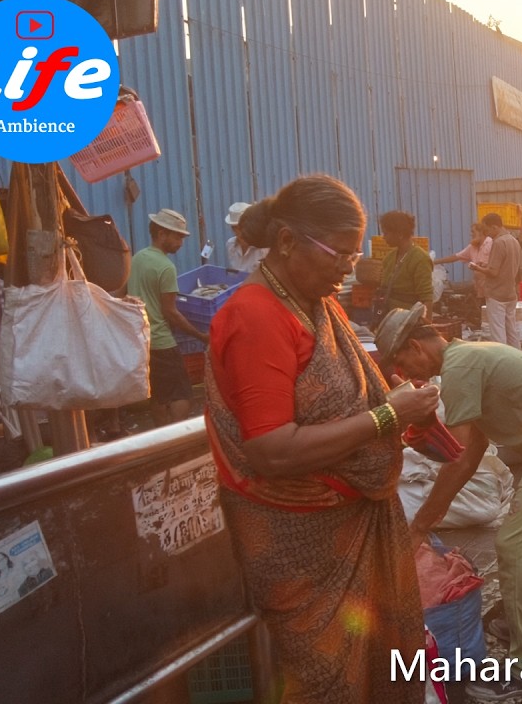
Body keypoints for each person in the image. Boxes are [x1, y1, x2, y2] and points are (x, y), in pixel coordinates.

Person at [204, 175, 440, 702]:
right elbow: (270, 449)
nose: (347, 268)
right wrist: (386, 418)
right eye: (338, 253)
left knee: (371, 667)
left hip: (349, 519)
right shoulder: (255, 315)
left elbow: (342, 383)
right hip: (297, 541)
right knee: (325, 681)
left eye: (354, 256)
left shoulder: (314, 300)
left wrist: (393, 395)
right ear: (286, 241)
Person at [380, 304, 522, 701]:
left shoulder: (460, 366)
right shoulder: (467, 358)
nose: (407, 373)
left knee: (514, 547)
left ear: (415, 346)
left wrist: (421, 525)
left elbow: (461, 457)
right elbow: (474, 445)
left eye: (402, 361)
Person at [125, 209, 209, 425]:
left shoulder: (137, 258)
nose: (180, 242)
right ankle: (174, 436)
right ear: (161, 234)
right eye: (177, 236)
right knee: (183, 395)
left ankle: (159, 435)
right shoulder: (166, 267)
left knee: (159, 393)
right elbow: (170, 311)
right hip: (162, 341)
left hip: (142, 340)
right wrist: (200, 335)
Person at [472, 213, 522, 348]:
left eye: (487, 230)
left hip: (497, 295)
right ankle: (518, 361)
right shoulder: (514, 241)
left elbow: (493, 272)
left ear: (494, 227)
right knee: (512, 333)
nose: (486, 234)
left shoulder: (499, 242)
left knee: (498, 335)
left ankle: (503, 365)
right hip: (510, 293)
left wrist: (477, 267)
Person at [378, 210, 434, 313]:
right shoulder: (389, 258)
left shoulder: (420, 259)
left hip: (409, 320)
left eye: (386, 233)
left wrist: (426, 327)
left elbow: (426, 298)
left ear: (400, 234)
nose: (383, 237)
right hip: (389, 318)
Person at [434, 221, 492, 298]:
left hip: (492, 288)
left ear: (481, 232)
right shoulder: (473, 247)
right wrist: (435, 262)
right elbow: (456, 257)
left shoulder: (490, 243)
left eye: (473, 232)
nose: (471, 234)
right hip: (480, 287)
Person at [224, 201, 267, 273]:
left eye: (243, 226)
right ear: (232, 229)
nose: (240, 232)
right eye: (235, 228)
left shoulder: (263, 249)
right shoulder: (230, 245)